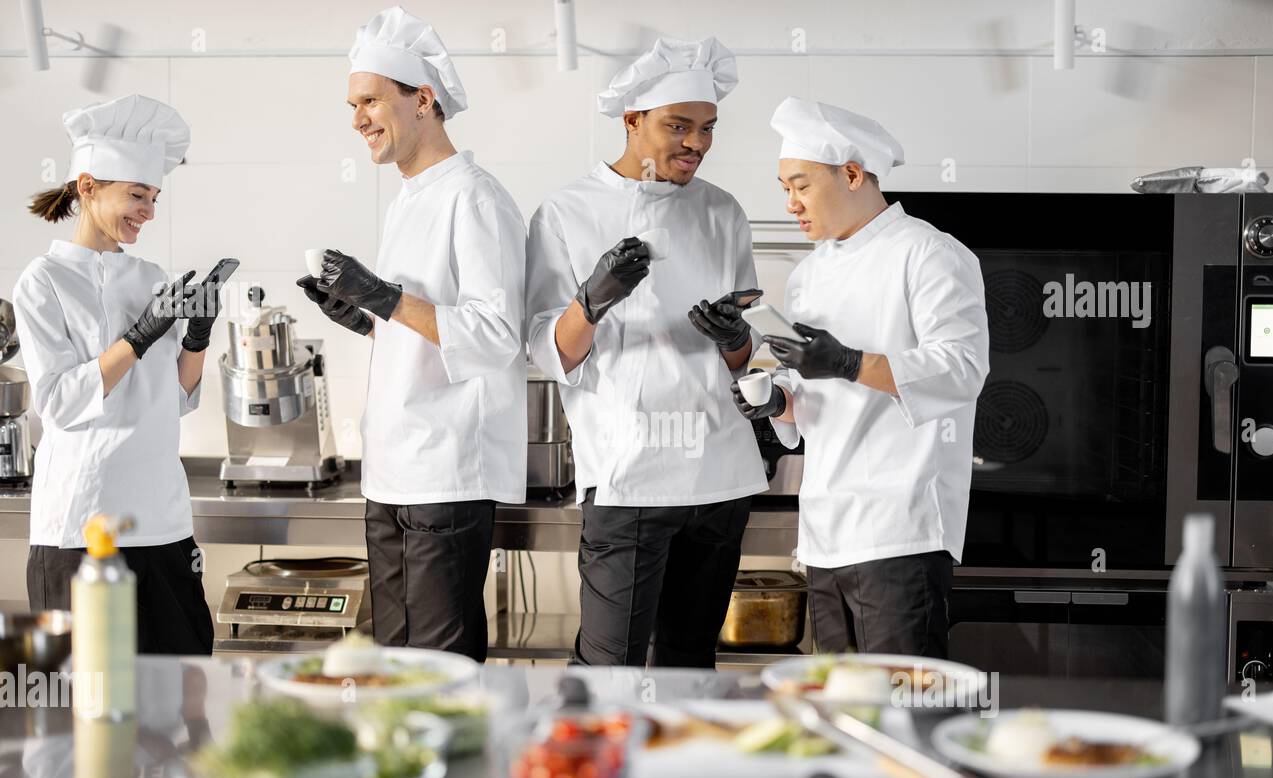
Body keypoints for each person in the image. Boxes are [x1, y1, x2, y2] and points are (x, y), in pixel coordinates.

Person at [525, 37, 767, 668]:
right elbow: (551, 355)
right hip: (628, 475)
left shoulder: (723, 213)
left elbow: (748, 362)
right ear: (632, 120)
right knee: (610, 673)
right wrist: (593, 300)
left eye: (708, 129)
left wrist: (736, 340)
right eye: (678, 126)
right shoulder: (566, 213)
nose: (696, 144)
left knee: (690, 670)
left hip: (719, 474)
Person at [297, 6, 526, 662]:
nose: (357, 119)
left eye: (369, 100)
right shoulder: (409, 198)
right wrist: (365, 317)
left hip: (447, 475)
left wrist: (388, 297)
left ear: (422, 99)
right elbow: (424, 332)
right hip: (391, 471)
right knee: (390, 667)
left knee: (438, 674)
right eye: (352, 104)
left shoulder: (474, 198)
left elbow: (496, 334)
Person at [732, 97, 989, 657]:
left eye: (800, 185)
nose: (791, 203)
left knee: (901, 713)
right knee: (843, 711)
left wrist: (849, 362)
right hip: (825, 533)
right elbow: (816, 402)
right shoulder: (807, 276)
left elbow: (962, 370)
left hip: (901, 529)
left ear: (851, 173)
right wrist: (774, 401)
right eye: (783, 188)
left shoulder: (930, 255)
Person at [14, 93, 217, 654]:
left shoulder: (152, 275)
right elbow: (56, 401)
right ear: (87, 187)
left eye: (153, 197)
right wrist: (140, 335)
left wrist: (196, 337)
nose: (148, 210)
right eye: (135, 195)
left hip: (162, 523)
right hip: (79, 527)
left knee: (182, 697)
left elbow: (174, 397)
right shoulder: (42, 281)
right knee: (76, 715)